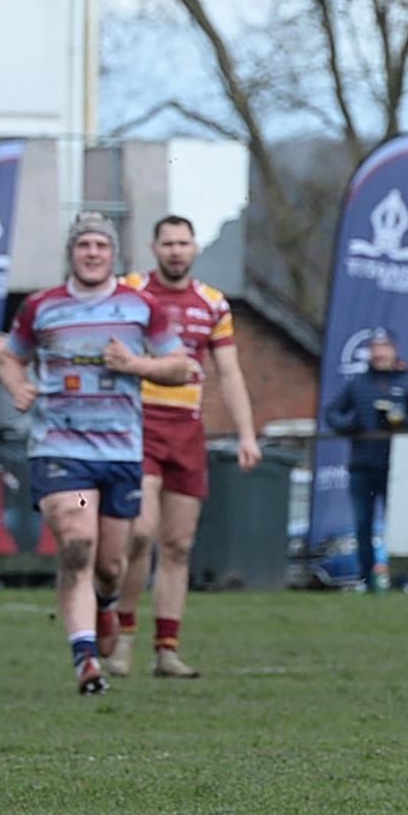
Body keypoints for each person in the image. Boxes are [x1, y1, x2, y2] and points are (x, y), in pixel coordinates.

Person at [0, 214, 192, 693]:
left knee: (110, 565)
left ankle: (106, 606)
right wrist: (17, 386)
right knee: (77, 540)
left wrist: (135, 364)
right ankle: (86, 660)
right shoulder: (41, 307)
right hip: (63, 454)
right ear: (72, 252)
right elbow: (8, 354)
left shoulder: (141, 307)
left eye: (100, 245)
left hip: (119, 455)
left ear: (114, 254)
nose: (91, 253)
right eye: (83, 244)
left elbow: (180, 368)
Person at [111, 216, 263, 678]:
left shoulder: (213, 303)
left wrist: (247, 433)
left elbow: (229, 372)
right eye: (168, 243)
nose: (176, 250)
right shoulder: (129, 291)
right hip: (137, 424)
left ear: (195, 248)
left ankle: (167, 649)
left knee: (178, 544)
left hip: (187, 427)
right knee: (140, 534)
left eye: (183, 242)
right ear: (154, 248)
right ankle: (122, 638)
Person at [325, 332, 408, 593]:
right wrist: (351, 425)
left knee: (398, 527)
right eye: (375, 348)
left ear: (394, 350)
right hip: (362, 466)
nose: (380, 353)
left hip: (398, 468)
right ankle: (367, 580)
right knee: (362, 526)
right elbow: (332, 413)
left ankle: (402, 580)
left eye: (384, 348)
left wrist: (403, 422)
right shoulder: (357, 384)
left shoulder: (407, 383)